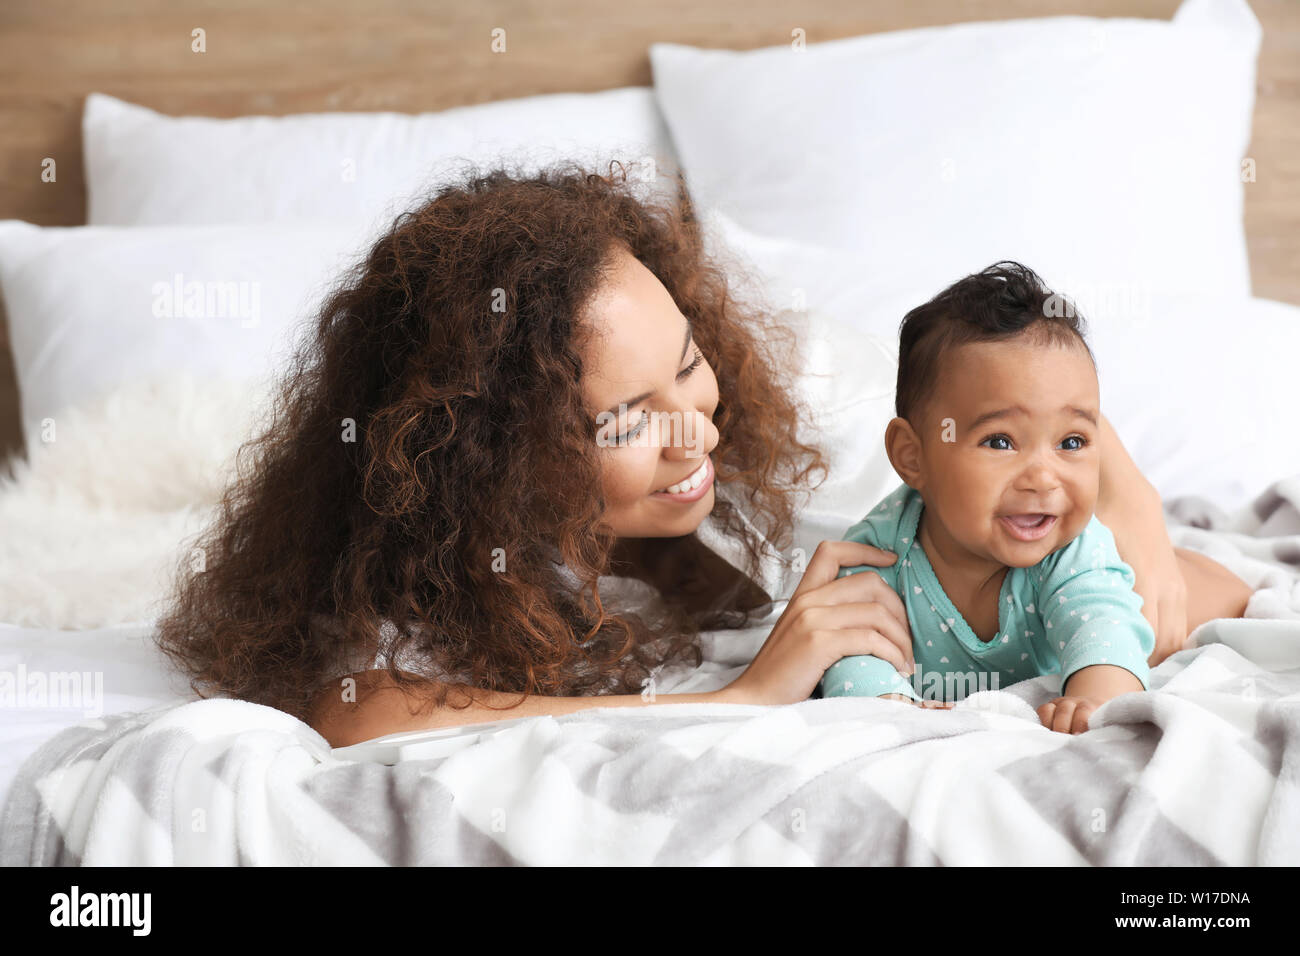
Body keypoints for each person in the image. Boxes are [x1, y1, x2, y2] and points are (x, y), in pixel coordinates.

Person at [151, 165, 1246, 750]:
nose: (695, 431)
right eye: (624, 416)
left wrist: (1113, 489)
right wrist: (748, 698)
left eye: (690, 363)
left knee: (1155, 605)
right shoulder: (447, 560)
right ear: (494, 456)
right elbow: (355, 707)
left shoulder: (797, 431)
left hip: (1030, 512)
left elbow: (1054, 429)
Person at [817, 262, 1252, 733]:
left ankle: (1211, 574)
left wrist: (1095, 696)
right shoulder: (876, 555)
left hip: (1172, 584)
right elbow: (851, 648)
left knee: (1198, 600)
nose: (1044, 479)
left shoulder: (1073, 548)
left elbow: (1104, 630)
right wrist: (889, 701)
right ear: (912, 456)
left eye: (1071, 442)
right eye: (1000, 441)